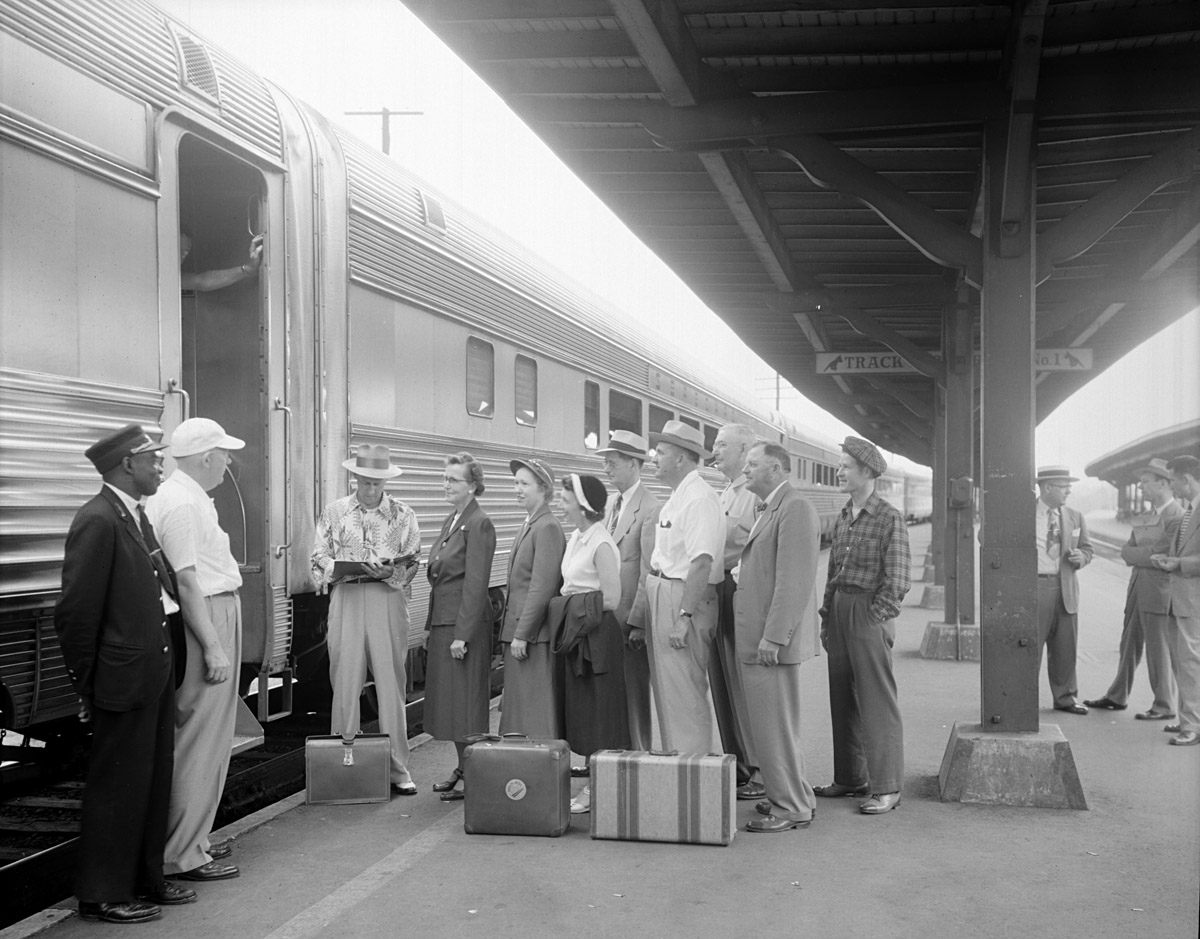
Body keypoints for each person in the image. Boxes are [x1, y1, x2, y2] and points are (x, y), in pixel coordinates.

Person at [54, 425, 195, 923]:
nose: (161, 465)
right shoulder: (98, 520)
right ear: (127, 465)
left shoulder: (131, 514)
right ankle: (103, 893)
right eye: (153, 458)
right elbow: (75, 613)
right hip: (122, 676)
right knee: (117, 785)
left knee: (151, 781)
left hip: (150, 670)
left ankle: (145, 879)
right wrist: (87, 685)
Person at [146, 418, 244, 882]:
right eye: (224, 453)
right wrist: (214, 648)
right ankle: (182, 853)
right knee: (200, 740)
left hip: (214, 610)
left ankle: (193, 840)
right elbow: (186, 581)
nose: (228, 462)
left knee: (207, 738)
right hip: (208, 615)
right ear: (206, 457)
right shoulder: (183, 504)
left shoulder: (184, 497)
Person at [311, 444, 421, 794]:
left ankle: (398, 769)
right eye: (365, 481)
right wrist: (335, 568)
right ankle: (345, 766)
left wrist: (392, 571)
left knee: (391, 681)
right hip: (346, 597)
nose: (371, 488)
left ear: (385, 480)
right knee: (344, 680)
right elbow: (317, 559)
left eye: (377, 483)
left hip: (386, 598)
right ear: (355, 477)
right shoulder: (335, 512)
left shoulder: (403, 514)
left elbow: (414, 561)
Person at [816, 436, 911, 815]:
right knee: (842, 696)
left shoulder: (888, 517)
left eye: (845, 466)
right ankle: (851, 777)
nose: (839, 471)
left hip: (868, 610)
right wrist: (827, 616)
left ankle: (887, 786)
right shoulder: (843, 515)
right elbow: (833, 572)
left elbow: (899, 577)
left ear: (868, 471)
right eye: (840, 465)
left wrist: (876, 615)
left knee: (876, 700)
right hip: (840, 609)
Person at [734, 442, 820, 832]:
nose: (745, 469)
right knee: (774, 725)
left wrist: (773, 638)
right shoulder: (773, 506)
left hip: (768, 643)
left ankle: (791, 808)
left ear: (775, 468)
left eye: (752, 464)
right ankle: (796, 795)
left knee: (774, 726)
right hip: (760, 637)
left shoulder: (794, 507)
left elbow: (794, 581)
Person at [645, 420, 724, 754]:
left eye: (661, 452)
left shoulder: (698, 500)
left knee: (684, 690)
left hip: (681, 596)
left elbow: (701, 562)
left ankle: (694, 771)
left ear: (680, 459)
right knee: (669, 691)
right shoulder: (681, 496)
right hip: (668, 591)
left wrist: (683, 617)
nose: (654, 458)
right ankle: (679, 770)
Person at [551, 473, 628, 815]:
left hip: (596, 634)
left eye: (566, 501)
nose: (561, 506)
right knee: (583, 709)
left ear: (582, 507)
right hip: (580, 631)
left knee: (600, 712)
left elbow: (611, 598)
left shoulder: (600, 543)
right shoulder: (578, 537)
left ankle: (599, 788)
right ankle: (595, 779)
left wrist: (568, 606)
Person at [1084, 459, 1182, 719]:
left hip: (1160, 591)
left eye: (1146, 482)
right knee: (1128, 643)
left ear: (1163, 483)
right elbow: (1127, 553)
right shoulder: (1145, 517)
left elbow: (1165, 554)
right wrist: (1144, 555)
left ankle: (1164, 705)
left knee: (1157, 648)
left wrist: (1141, 554)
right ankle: (1118, 696)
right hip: (1138, 587)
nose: (1141, 487)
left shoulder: (1178, 517)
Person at [424, 453, 497, 802]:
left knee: (467, 704)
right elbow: (439, 578)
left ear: (472, 485)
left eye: (453, 480)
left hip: (461, 626)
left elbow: (476, 583)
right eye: (445, 478)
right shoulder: (454, 519)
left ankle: (476, 776)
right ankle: (464, 768)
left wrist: (462, 635)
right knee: (452, 706)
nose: (446, 485)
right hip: (444, 622)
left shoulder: (479, 523)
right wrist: (430, 626)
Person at [595, 430, 660, 751]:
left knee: (634, 697)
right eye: (605, 463)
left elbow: (649, 570)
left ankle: (638, 758)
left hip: (628, 622)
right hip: (603, 616)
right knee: (607, 696)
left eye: (613, 463)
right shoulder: (609, 504)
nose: (606, 469)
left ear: (634, 464)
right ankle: (611, 759)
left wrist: (639, 622)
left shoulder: (651, 509)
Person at [710, 423, 763, 800]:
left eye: (722, 444)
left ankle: (759, 769)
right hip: (719, 591)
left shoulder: (752, 497)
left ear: (745, 450)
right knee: (723, 682)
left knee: (744, 684)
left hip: (738, 591)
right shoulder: (726, 492)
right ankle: (740, 763)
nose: (714, 450)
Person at [498, 457, 566, 738]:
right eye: (516, 483)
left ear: (543, 488)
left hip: (532, 636)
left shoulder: (546, 527)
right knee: (521, 708)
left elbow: (542, 586)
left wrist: (522, 633)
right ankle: (520, 768)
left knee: (534, 710)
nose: (517, 488)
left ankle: (536, 770)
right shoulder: (532, 523)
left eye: (524, 484)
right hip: (522, 631)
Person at [1033, 465, 1094, 715]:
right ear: (1047, 487)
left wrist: (1083, 557)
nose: (1069, 491)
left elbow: (1088, 549)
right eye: (1064, 486)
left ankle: (1066, 698)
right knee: (1030, 645)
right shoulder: (1022, 513)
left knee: (1065, 646)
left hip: (1066, 587)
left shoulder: (1075, 516)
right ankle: (1023, 697)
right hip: (1034, 586)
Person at [1151, 454, 1200, 747]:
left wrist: (1178, 563)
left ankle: (1192, 725)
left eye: (1173, 481)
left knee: (1190, 662)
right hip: (1181, 597)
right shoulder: (1189, 512)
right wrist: (1169, 559)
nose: (1172, 487)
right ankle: (1188, 718)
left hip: (1192, 598)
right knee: (1183, 661)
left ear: (1187, 479)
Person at [180, 231, 263, 292]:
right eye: (179, 249)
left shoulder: (176, 277)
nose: (183, 255)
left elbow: (202, 281)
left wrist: (248, 269)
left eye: (186, 250)